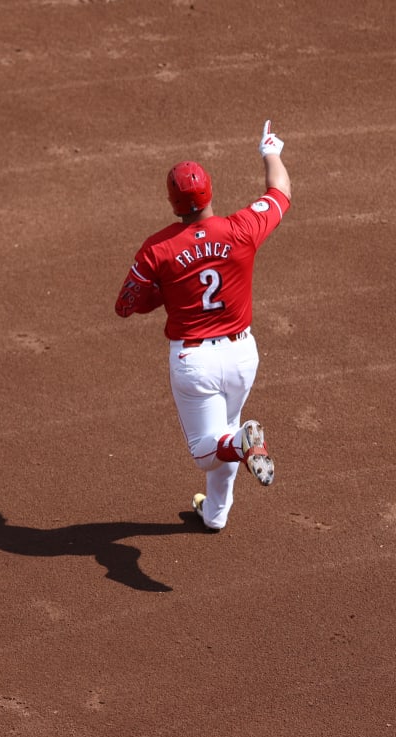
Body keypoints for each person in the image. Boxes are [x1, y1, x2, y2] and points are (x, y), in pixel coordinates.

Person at [114, 120, 291, 532]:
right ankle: (215, 514)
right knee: (227, 431)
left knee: (207, 449)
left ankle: (243, 444)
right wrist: (270, 149)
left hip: (195, 363)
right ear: (210, 192)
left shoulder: (157, 248)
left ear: (174, 203)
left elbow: (126, 305)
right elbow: (280, 191)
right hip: (242, 353)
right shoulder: (242, 228)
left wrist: (165, 292)